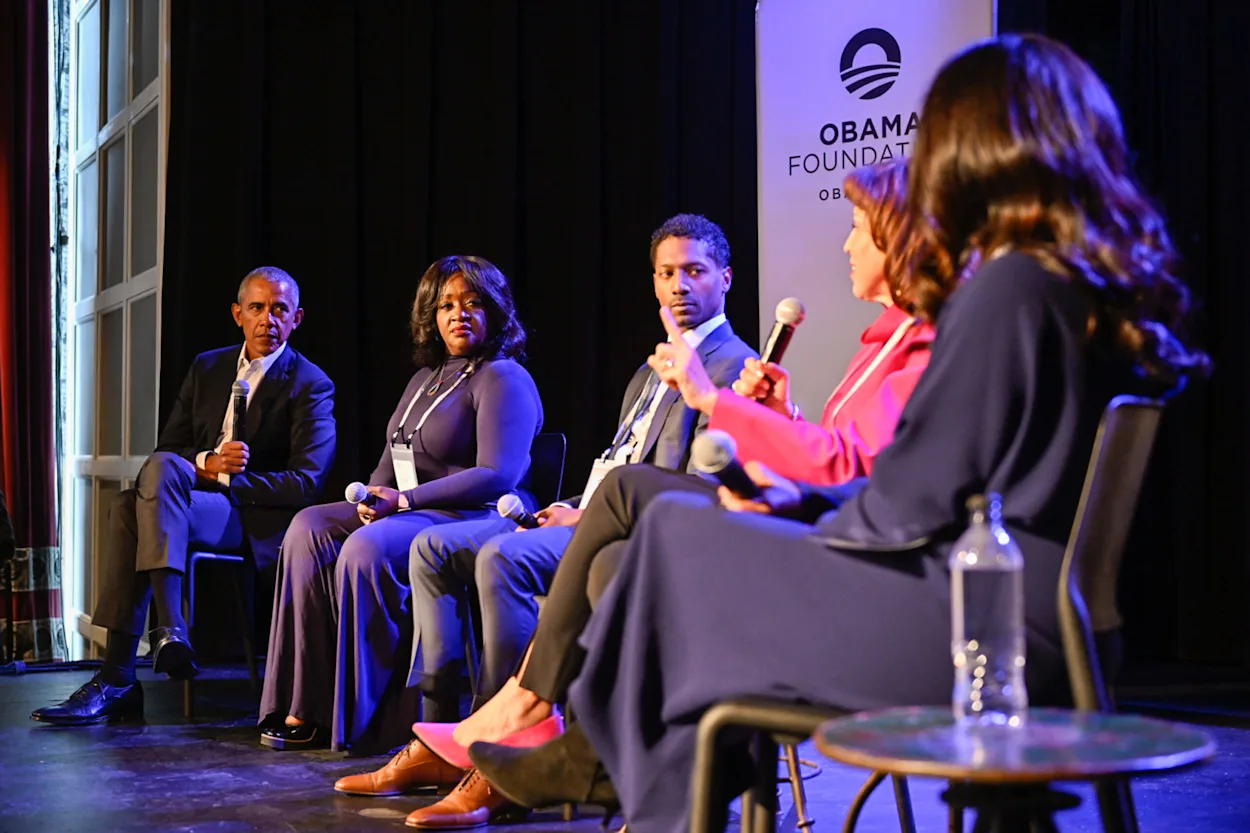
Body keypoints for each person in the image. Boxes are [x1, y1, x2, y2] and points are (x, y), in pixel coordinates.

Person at [466, 34, 1210, 833]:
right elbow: (936, 481)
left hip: (981, 620)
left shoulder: (1010, 288)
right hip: (1025, 606)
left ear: (975, 151)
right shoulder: (1076, 279)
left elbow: (911, 502)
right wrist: (793, 503)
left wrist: (790, 516)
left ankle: (603, 768)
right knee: (671, 543)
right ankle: (614, 771)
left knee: (678, 537)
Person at [391, 166, 936, 828]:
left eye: (857, 229)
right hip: (744, 528)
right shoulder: (878, 342)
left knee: (576, 528)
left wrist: (717, 402)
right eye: (666, 273)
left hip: (827, 566)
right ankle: (625, 772)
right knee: (607, 565)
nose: (847, 245)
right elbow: (837, 457)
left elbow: (850, 475)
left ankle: (527, 718)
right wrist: (788, 417)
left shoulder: (906, 346)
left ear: (901, 237)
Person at [334, 214, 757, 826]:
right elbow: (617, 461)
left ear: (726, 279)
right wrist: (572, 507)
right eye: (666, 273)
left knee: (502, 558)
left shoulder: (731, 369)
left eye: (694, 271)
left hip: (648, 538)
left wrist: (587, 515)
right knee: (435, 551)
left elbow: (700, 488)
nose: (678, 286)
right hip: (594, 517)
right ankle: (442, 728)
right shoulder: (650, 370)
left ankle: (496, 759)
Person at [258, 256, 542, 755]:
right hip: (410, 511)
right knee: (309, 527)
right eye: (447, 305)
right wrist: (371, 498)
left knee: (366, 550)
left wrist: (404, 500)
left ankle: (369, 722)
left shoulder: (503, 377)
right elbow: (395, 456)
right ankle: (306, 703)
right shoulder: (426, 378)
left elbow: (499, 474)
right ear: (430, 315)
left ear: (495, 311)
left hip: (474, 516)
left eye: (474, 303)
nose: (459, 314)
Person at [32, 267, 336, 726]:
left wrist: (228, 480)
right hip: (183, 500)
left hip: (249, 516)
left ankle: (121, 672)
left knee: (129, 508)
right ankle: (166, 634)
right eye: (257, 308)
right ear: (238, 314)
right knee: (143, 492)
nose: (267, 320)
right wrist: (209, 462)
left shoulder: (310, 384)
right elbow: (168, 450)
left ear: (297, 319)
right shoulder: (208, 367)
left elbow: (306, 483)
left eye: (280, 310)